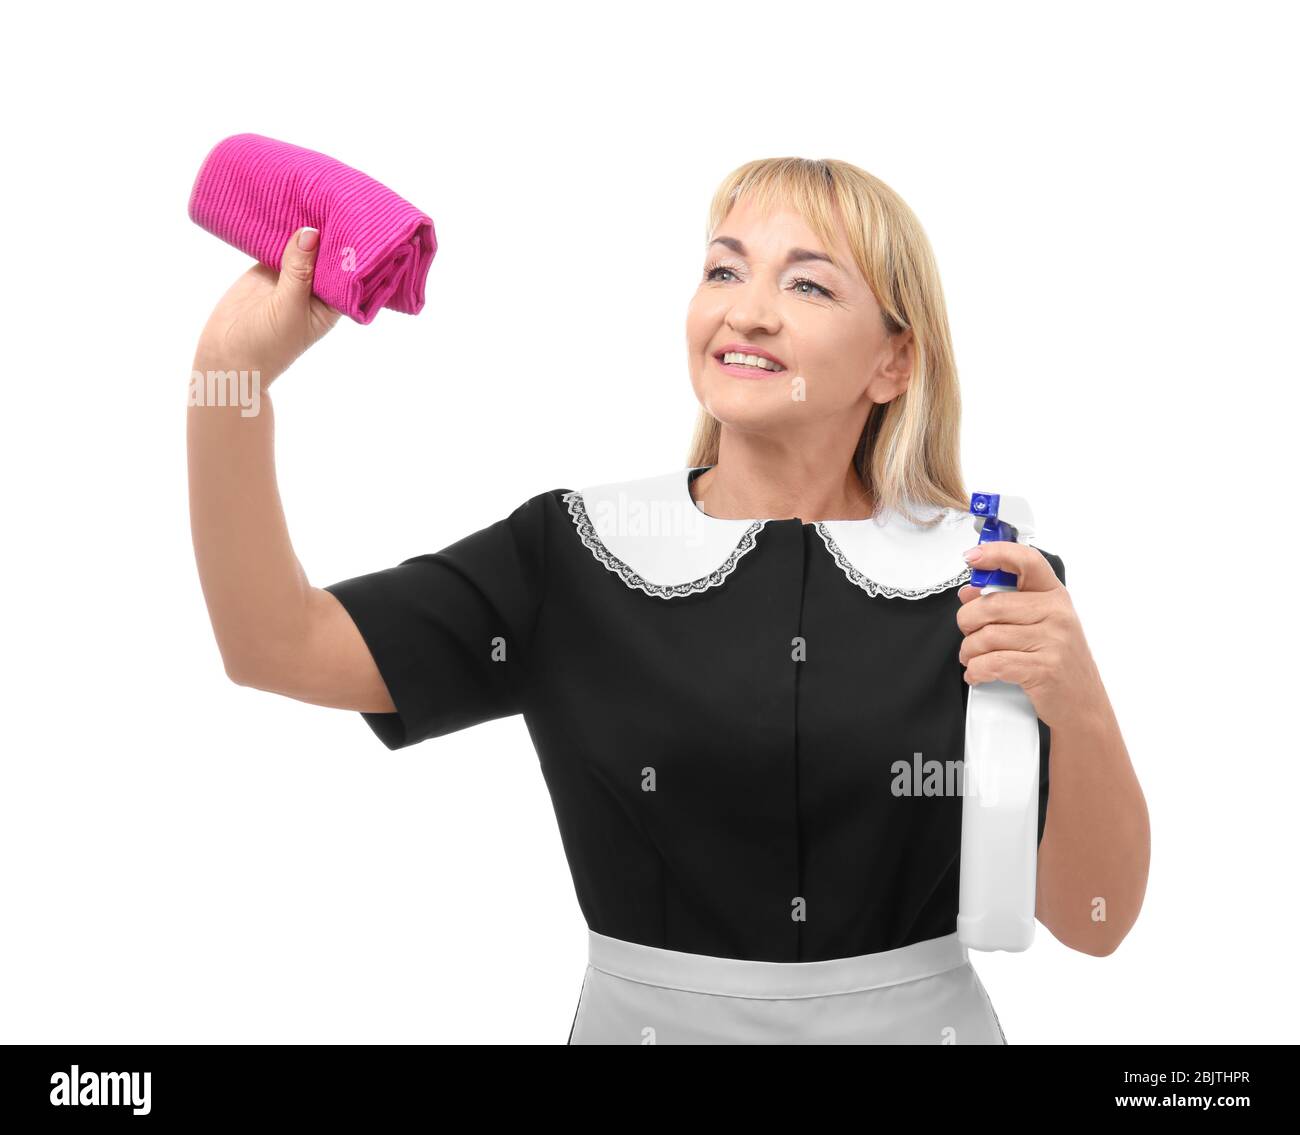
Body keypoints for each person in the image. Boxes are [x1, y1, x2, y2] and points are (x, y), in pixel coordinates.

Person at [188, 157, 1150, 1044]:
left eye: (807, 283)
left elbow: (1095, 919)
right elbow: (274, 642)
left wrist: (1082, 699)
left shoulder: (990, 574)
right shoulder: (572, 553)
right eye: (724, 271)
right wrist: (231, 376)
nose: (749, 312)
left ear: (895, 362)